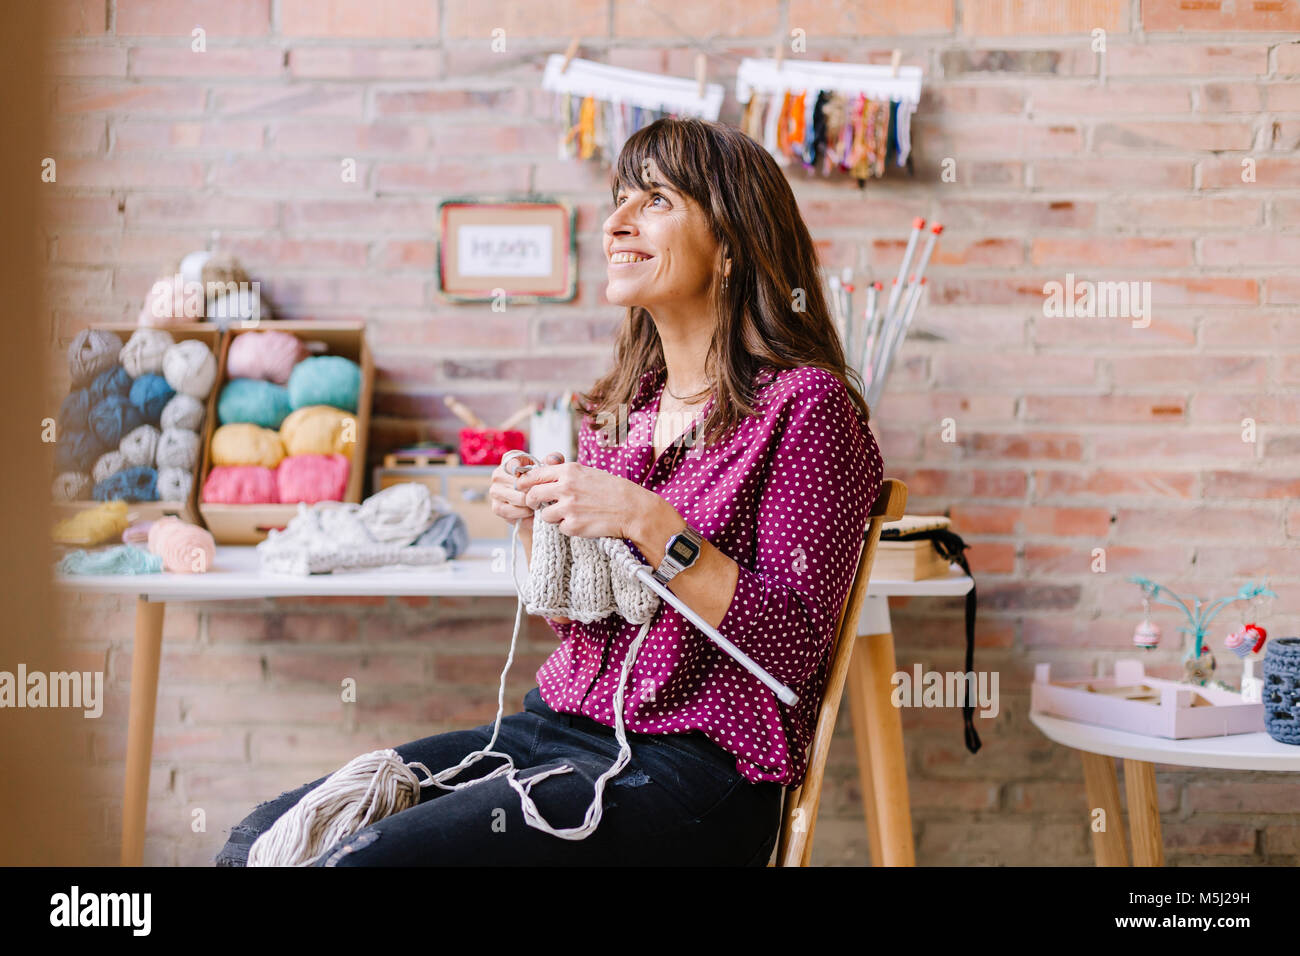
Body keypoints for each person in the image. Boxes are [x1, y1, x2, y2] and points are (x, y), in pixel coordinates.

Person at [215, 117, 884, 867]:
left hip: (696, 769)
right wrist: (543, 532)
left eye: (654, 201)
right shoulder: (621, 409)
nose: (616, 223)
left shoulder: (805, 409)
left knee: (364, 862)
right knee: (260, 842)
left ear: (729, 244)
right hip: (559, 729)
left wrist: (645, 519)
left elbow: (795, 646)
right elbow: (592, 627)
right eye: (618, 198)